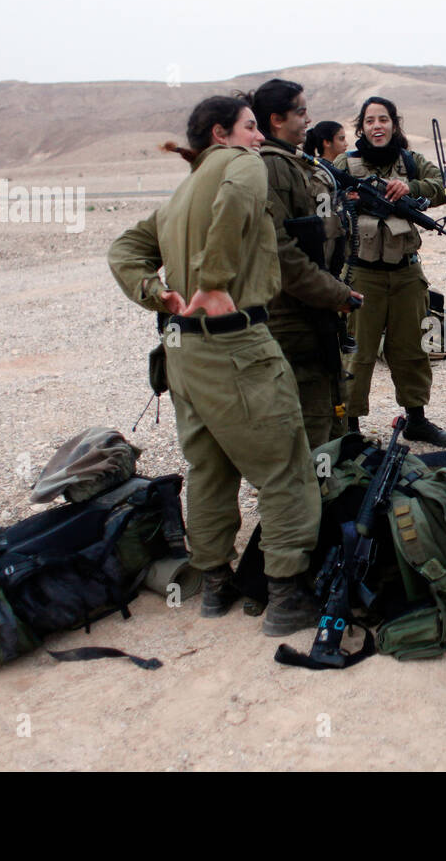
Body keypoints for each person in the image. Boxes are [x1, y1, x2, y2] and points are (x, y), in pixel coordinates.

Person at [107, 95, 323, 634]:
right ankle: (287, 597)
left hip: (183, 356)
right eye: (250, 127)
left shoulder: (180, 195)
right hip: (236, 348)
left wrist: (158, 294)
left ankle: (215, 584)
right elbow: (240, 199)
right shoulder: (243, 165)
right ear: (222, 133)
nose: (258, 137)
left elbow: (122, 251)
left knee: (210, 470)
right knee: (285, 469)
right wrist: (214, 281)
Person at [333, 96, 446, 446]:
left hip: (405, 274)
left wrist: (412, 188)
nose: (377, 126)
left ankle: (416, 418)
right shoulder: (346, 163)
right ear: (362, 127)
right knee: (358, 352)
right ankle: (350, 429)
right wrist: (345, 201)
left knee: (412, 348)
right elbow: (320, 197)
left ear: (393, 124)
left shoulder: (410, 162)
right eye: (370, 120)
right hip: (362, 273)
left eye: (383, 119)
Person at [250, 78, 363, 449]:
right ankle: (311, 495)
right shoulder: (272, 167)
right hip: (294, 311)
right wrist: (336, 294)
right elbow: (284, 255)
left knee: (331, 402)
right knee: (310, 413)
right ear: (277, 119)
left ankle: (332, 489)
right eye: (300, 111)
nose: (308, 119)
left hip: (315, 307)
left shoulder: (294, 163)